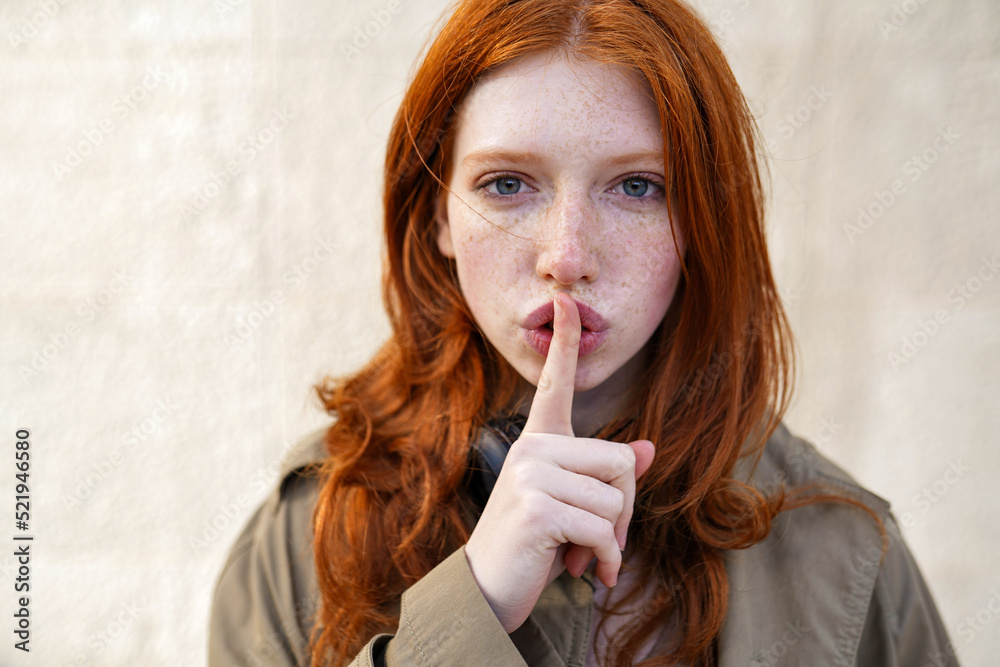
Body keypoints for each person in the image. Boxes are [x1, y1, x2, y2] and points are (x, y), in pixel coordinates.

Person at [209, 0, 959, 665]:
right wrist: (473, 610)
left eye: (638, 186)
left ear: (701, 222)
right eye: (506, 184)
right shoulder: (303, 536)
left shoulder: (844, 555)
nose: (566, 257)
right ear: (436, 214)